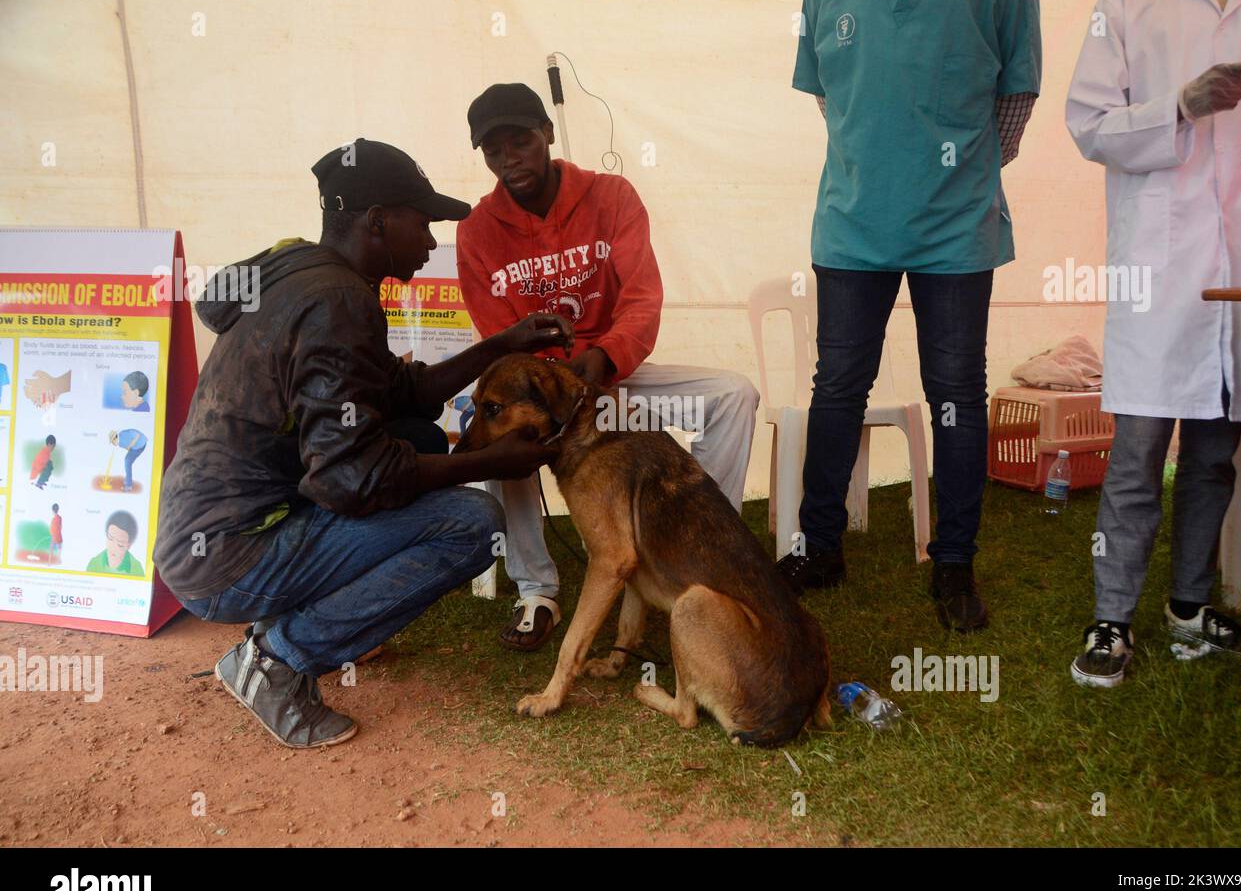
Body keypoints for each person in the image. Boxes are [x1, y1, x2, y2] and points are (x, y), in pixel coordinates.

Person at [155, 139, 575, 748]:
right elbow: (353, 480)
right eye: (423, 223)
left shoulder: (302, 270)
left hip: (200, 534)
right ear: (378, 221)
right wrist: (488, 462)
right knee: (473, 523)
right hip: (228, 558)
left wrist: (501, 344)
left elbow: (398, 391)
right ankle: (275, 658)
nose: (432, 242)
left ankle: (293, 620)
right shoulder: (339, 303)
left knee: (417, 434)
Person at [455, 83, 761, 651]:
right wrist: (558, 384)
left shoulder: (611, 195)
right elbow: (498, 338)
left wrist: (608, 355)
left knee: (733, 394)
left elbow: (642, 298)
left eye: (519, 140)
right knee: (495, 432)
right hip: (544, 390)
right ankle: (536, 590)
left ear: (546, 132)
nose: (508, 158)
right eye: (493, 150)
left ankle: (704, 553)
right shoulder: (476, 231)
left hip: (615, 376)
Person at [779, 0, 1042, 633]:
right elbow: (829, 95)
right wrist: (877, 159)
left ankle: (953, 563)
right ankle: (820, 547)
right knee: (838, 384)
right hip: (853, 217)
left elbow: (1018, 91)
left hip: (956, 220)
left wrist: (960, 167)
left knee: (955, 389)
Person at [1064, 0, 1241, 686]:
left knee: (1218, 446)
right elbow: (1089, 124)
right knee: (1138, 450)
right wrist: (1177, 108)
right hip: (1163, 260)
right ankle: (1112, 617)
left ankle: (1190, 606)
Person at [86, 511, 145, 577]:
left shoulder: (136, 569)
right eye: (110, 538)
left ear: (128, 546)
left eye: (120, 544)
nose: (113, 547)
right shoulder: (94, 563)